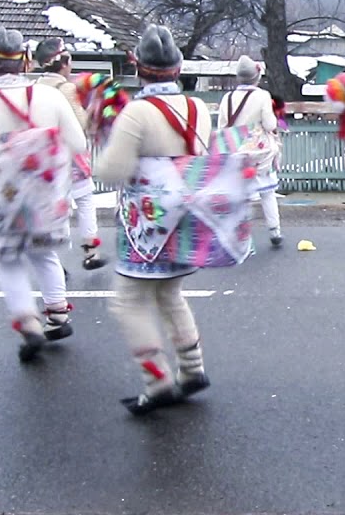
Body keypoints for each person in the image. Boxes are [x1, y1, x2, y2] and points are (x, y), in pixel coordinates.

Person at [96, 25, 215, 415]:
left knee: (128, 302)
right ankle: (192, 368)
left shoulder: (137, 112)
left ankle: (156, 379)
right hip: (186, 219)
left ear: (138, 67)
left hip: (147, 224)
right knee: (169, 294)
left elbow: (112, 171)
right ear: (178, 67)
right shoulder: (197, 108)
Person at [0, 27, 85, 362]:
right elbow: (79, 145)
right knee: (44, 253)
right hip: (46, 196)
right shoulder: (51, 97)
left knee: (8, 258)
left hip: (2, 198)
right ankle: (57, 314)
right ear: (26, 64)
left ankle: (29, 323)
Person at [32, 37, 106, 269]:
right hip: (70, 156)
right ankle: (90, 251)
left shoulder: (34, 90)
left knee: (54, 206)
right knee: (84, 201)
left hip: (44, 157)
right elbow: (79, 122)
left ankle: (54, 260)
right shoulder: (66, 89)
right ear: (63, 63)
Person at [218, 55, 283, 249]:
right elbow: (270, 124)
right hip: (259, 152)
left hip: (235, 151)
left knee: (239, 194)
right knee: (267, 192)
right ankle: (274, 230)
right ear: (257, 76)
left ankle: (237, 233)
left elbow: (222, 127)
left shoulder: (227, 98)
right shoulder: (262, 96)